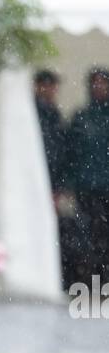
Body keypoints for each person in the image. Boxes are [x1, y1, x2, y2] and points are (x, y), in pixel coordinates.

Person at [66, 67, 109, 284]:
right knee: (87, 236)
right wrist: (68, 183)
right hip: (86, 187)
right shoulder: (82, 117)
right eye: (96, 83)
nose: (99, 87)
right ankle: (90, 281)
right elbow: (70, 151)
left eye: (103, 83)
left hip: (104, 187)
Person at [33, 70, 68, 204]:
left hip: (51, 177)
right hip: (38, 174)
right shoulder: (36, 113)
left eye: (52, 86)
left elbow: (60, 150)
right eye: (45, 86)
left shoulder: (54, 113)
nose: (50, 90)